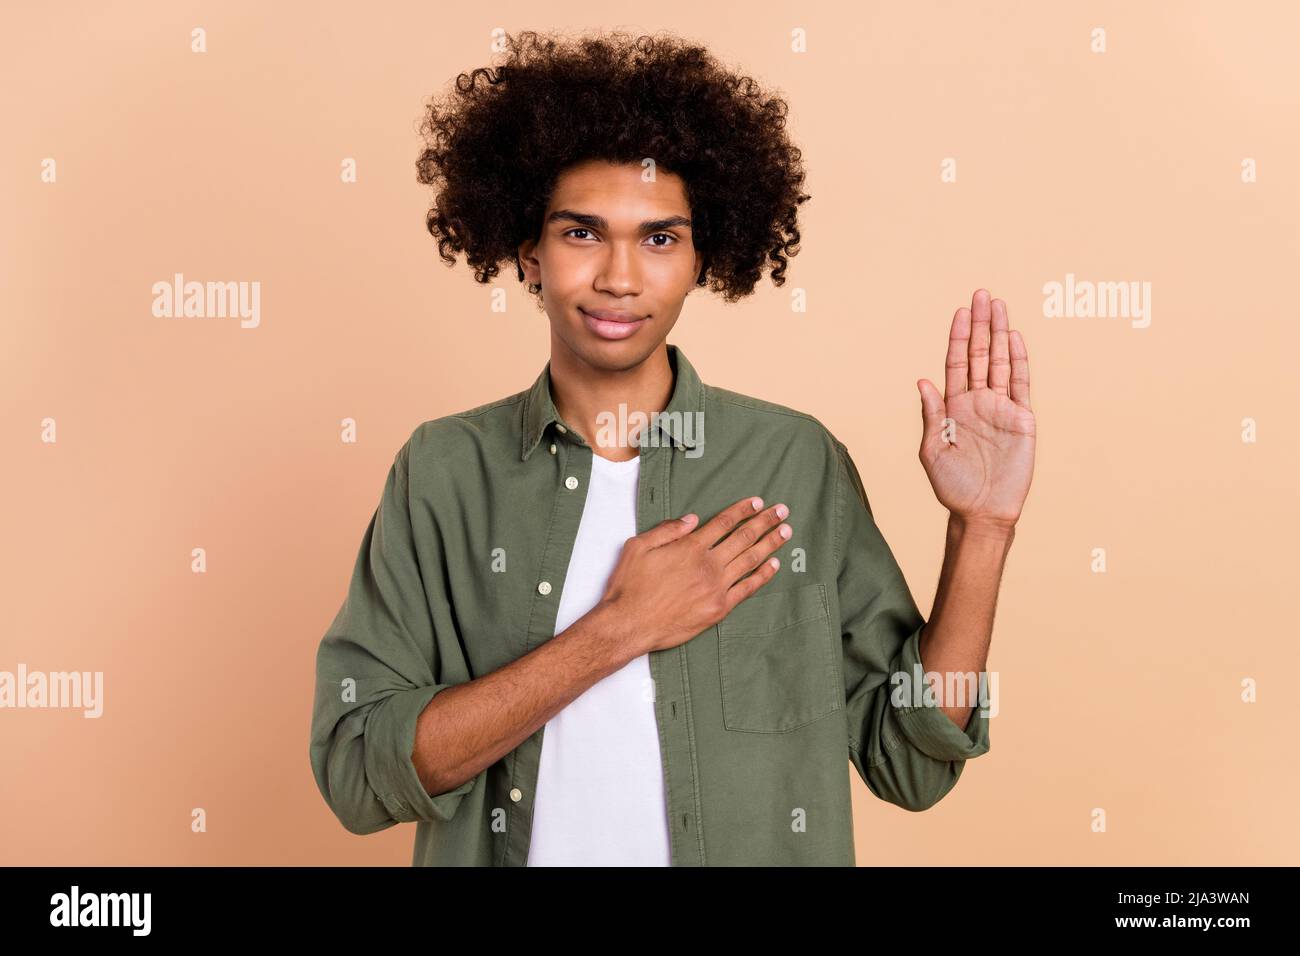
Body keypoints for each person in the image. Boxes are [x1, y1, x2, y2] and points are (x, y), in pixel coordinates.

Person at [309, 29, 1035, 866]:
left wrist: (982, 532)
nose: (620, 277)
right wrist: (619, 629)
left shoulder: (794, 462)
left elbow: (911, 759)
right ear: (528, 254)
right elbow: (358, 770)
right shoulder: (442, 473)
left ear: (702, 259)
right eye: (582, 234)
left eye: (660, 239)